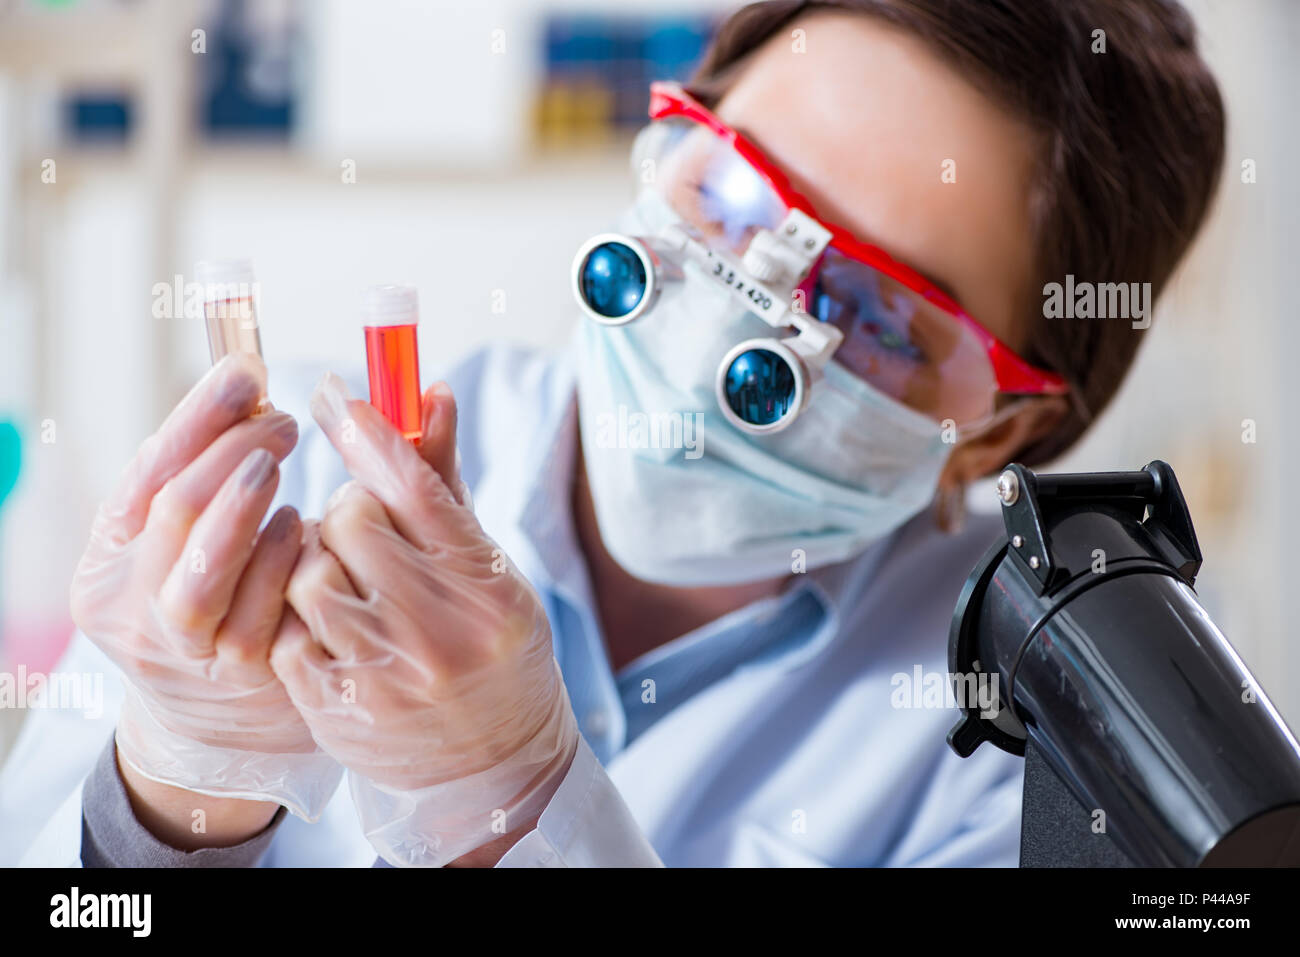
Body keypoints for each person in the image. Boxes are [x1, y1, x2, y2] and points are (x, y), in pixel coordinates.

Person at [1, 0, 1224, 867]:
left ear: (1003, 424)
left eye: (868, 313)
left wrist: (508, 809)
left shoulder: (1021, 749)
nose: (735, 311)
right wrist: (174, 794)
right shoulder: (291, 478)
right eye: (728, 190)